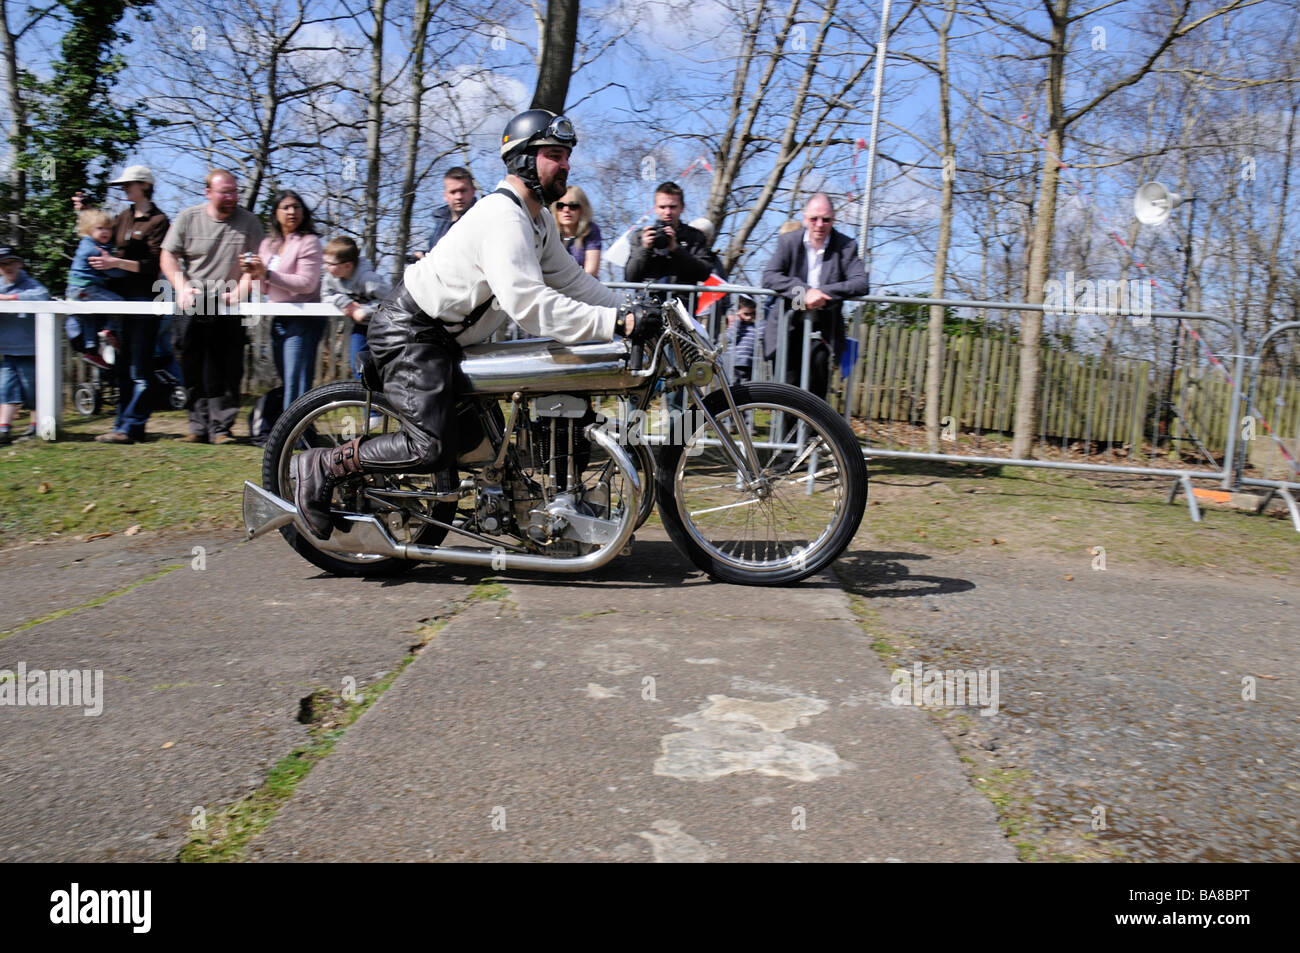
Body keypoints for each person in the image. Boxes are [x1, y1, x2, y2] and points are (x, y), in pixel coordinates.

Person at [292, 108, 657, 540]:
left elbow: (574, 282)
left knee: (490, 451)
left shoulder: (537, 220)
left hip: (450, 339)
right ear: (524, 159)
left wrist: (633, 309)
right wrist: (617, 322)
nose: (565, 165)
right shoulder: (503, 217)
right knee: (430, 447)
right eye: (555, 155)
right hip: (413, 332)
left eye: (567, 156)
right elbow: (529, 305)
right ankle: (322, 464)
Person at [160, 169, 264, 444]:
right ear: (208, 192)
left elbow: (254, 265)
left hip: (229, 304)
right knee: (192, 364)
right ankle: (197, 426)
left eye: (234, 192)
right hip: (193, 302)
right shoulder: (188, 218)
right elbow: (168, 256)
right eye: (224, 192)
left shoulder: (249, 222)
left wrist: (240, 292)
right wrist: (182, 286)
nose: (231, 197)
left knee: (227, 366)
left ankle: (221, 428)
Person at [761, 193, 869, 400]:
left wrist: (822, 293)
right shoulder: (788, 242)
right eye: (814, 219)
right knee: (786, 396)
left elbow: (860, 283)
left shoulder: (846, 246)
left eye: (826, 219)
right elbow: (770, 276)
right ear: (804, 218)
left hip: (824, 331)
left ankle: (812, 423)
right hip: (788, 328)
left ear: (833, 219)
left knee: (815, 398)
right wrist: (804, 292)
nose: (819, 225)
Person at [91, 164, 170, 444]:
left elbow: (152, 266)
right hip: (120, 302)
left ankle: (133, 427)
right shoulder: (122, 217)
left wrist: (116, 262)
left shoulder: (159, 221)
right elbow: (101, 240)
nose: (124, 189)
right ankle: (121, 425)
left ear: (144, 186)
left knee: (140, 368)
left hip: (145, 301)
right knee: (122, 367)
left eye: (128, 184)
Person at [246, 189, 323, 410]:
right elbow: (265, 288)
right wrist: (254, 273)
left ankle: (294, 429)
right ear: (276, 213)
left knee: (296, 383)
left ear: (303, 212)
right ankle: (302, 427)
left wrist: (267, 273)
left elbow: (306, 283)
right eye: (286, 207)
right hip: (279, 318)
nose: (292, 212)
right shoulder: (267, 244)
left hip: (304, 318)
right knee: (288, 380)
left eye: (296, 207)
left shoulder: (309, 242)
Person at [320, 236, 391, 379]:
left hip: (385, 326)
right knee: (358, 364)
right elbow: (325, 295)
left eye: (330, 264)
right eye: (325, 262)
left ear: (347, 266)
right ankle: (362, 391)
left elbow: (391, 300)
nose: (325, 267)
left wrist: (365, 311)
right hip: (361, 327)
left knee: (384, 364)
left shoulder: (368, 279)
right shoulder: (330, 277)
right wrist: (345, 303)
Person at [624, 181, 713, 293]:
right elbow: (630, 277)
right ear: (655, 208)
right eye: (662, 207)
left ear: (682, 208)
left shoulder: (695, 237)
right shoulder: (640, 236)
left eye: (672, 207)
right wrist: (645, 249)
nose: (667, 212)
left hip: (680, 301)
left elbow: (704, 274)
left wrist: (676, 249)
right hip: (647, 300)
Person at [0, 246, 50, 444]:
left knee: (32, 390)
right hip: (7, 350)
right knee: (5, 388)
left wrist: (10, 298)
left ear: (20, 264)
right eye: (3, 264)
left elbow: (43, 296)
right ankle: (4, 429)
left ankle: (36, 426)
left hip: (30, 349)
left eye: (11, 262)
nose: (7, 267)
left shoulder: (30, 284)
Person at [419, 167, 477, 256]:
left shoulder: (482, 220)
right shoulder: (440, 222)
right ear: (445, 195)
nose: (458, 197)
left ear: (473, 192)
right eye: (453, 192)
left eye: (463, 191)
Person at [551, 185, 602, 276]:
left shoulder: (591, 230)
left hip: (582, 283)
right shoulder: (548, 231)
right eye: (560, 206)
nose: (566, 210)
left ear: (583, 209)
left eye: (573, 206)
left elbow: (591, 271)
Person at [722, 294, 758, 386]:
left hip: (748, 363)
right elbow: (730, 337)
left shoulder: (754, 326)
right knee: (733, 385)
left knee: (746, 387)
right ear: (737, 312)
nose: (749, 317)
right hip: (734, 362)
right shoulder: (735, 325)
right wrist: (737, 321)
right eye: (746, 314)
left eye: (753, 313)